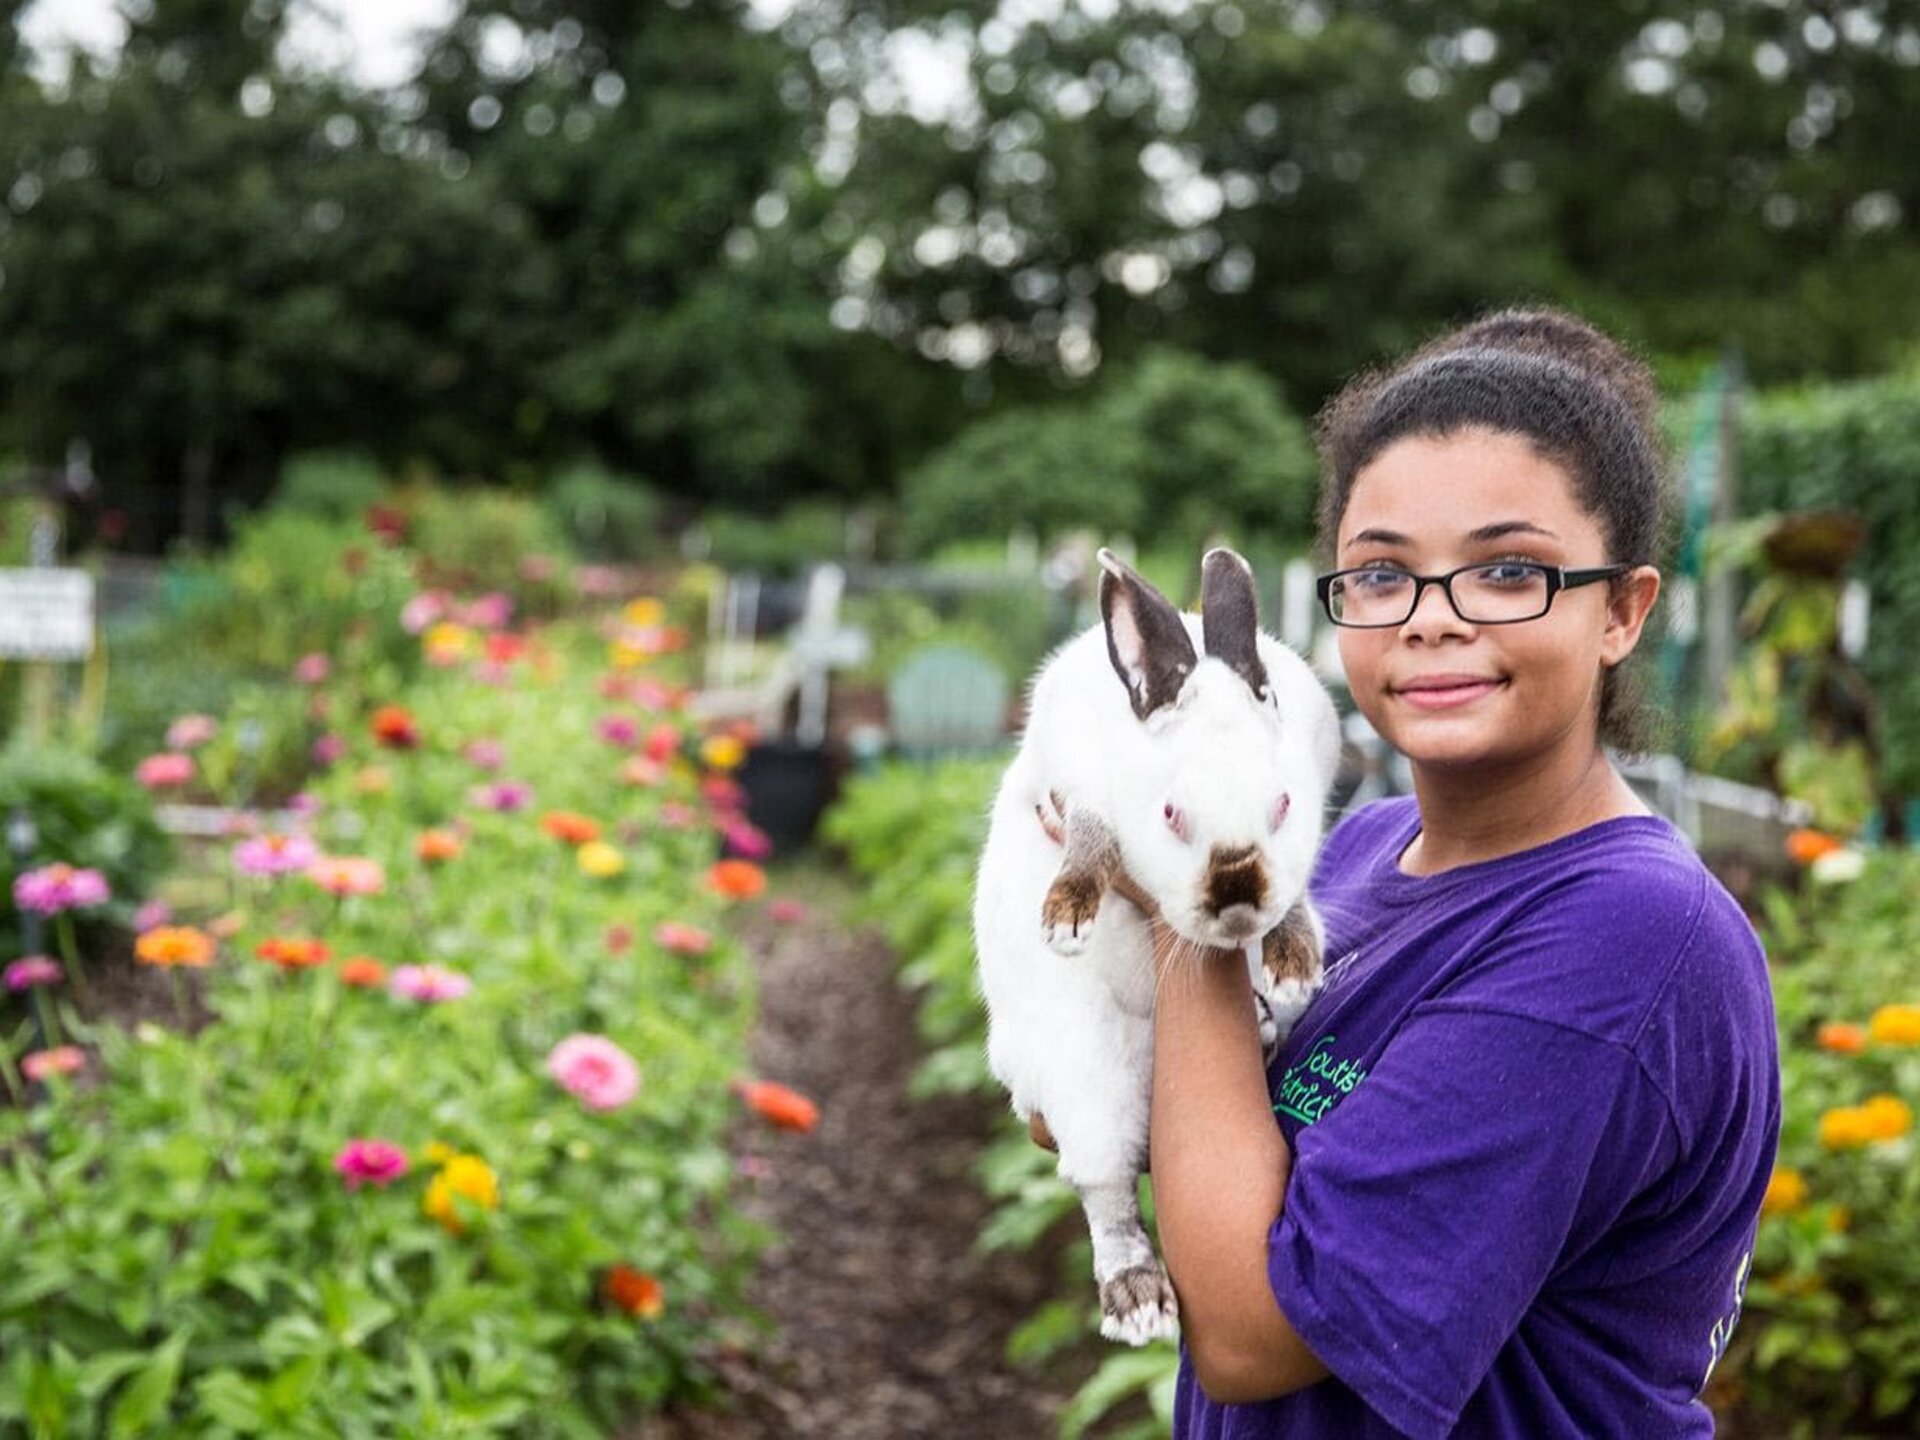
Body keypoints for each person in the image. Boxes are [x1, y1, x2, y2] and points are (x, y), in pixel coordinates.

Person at [1038, 308, 1780, 1437]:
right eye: (1382, 574)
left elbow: (1250, 1333)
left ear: (1623, 611)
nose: (1431, 619)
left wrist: (1180, 898)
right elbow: (1218, 1135)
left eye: (1509, 570)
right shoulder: (1359, 850)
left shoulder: (1626, 937)